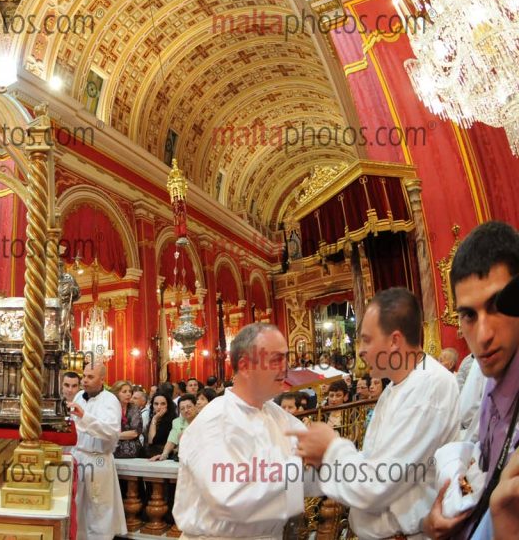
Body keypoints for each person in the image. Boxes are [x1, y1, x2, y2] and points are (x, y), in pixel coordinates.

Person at [296, 288, 460, 539]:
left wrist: (331, 447)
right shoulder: (395, 387)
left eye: (366, 340)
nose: (360, 350)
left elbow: (375, 485)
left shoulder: (429, 385)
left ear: (394, 341)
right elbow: (370, 462)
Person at [175, 323, 318, 538]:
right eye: (276, 360)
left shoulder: (277, 415)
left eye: (286, 358)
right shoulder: (216, 420)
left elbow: (311, 472)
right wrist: (302, 464)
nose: (285, 368)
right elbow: (231, 499)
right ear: (244, 366)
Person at [423, 221, 519, 540]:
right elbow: (483, 463)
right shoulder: (492, 377)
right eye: (469, 316)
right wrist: (440, 516)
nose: (483, 335)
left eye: (497, 307)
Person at [68, 361, 126, 540]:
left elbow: (111, 431)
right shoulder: (79, 396)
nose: (84, 380)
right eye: (84, 376)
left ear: (102, 379)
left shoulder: (110, 400)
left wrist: (84, 417)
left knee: (98, 508)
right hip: (78, 456)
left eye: (90, 377)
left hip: (98, 459)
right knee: (76, 505)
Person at [150, 393, 195, 461]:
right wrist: (164, 454)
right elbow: (171, 440)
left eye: (189, 407)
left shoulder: (203, 420)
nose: (186, 410)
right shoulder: (177, 422)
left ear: (196, 406)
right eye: (182, 408)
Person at [111, 380, 143, 458]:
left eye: (129, 391)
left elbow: (134, 433)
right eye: (124, 392)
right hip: (112, 451)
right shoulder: (110, 409)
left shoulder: (134, 409)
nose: (128, 394)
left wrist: (113, 435)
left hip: (133, 451)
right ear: (116, 394)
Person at [144, 392, 177, 458]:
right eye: (156, 404)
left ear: (168, 406)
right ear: (152, 406)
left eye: (163, 404)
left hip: (164, 456)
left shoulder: (173, 421)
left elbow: (151, 440)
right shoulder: (152, 418)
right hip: (149, 455)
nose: (159, 407)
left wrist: (154, 419)